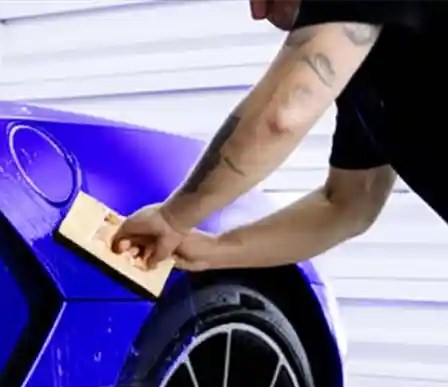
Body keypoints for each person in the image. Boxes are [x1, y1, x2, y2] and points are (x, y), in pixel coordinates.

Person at [112, 0, 445, 272]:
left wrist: (172, 219)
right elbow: (348, 205)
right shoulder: (378, 67)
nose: (258, 12)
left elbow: (283, 115)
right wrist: (215, 251)